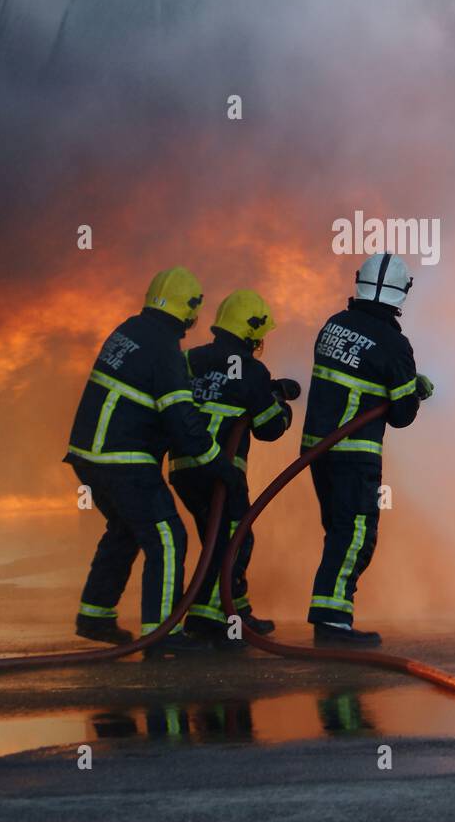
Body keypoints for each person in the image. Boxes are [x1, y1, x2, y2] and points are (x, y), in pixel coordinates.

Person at [65, 267, 242, 658]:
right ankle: (162, 634)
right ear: (190, 309)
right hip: (122, 459)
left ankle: (95, 615)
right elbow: (181, 422)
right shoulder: (164, 350)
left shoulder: (129, 331)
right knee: (167, 537)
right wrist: (219, 465)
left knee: (126, 528)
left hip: (89, 457)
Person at [301, 253, 433, 646]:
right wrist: (412, 389)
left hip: (316, 452)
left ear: (359, 281)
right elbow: (402, 416)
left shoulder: (333, 326)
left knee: (339, 531)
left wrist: (401, 382)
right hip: (353, 455)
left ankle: (330, 616)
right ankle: (332, 624)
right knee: (356, 533)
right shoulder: (395, 344)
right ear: (402, 293)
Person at [169, 289, 300, 645]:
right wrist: (281, 407)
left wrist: (269, 389)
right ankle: (209, 618)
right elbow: (270, 427)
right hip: (219, 472)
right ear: (250, 331)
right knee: (234, 540)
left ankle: (236, 612)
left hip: (183, 468)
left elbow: (222, 390)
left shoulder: (189, 359)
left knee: (226, 536)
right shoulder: (252, 371)